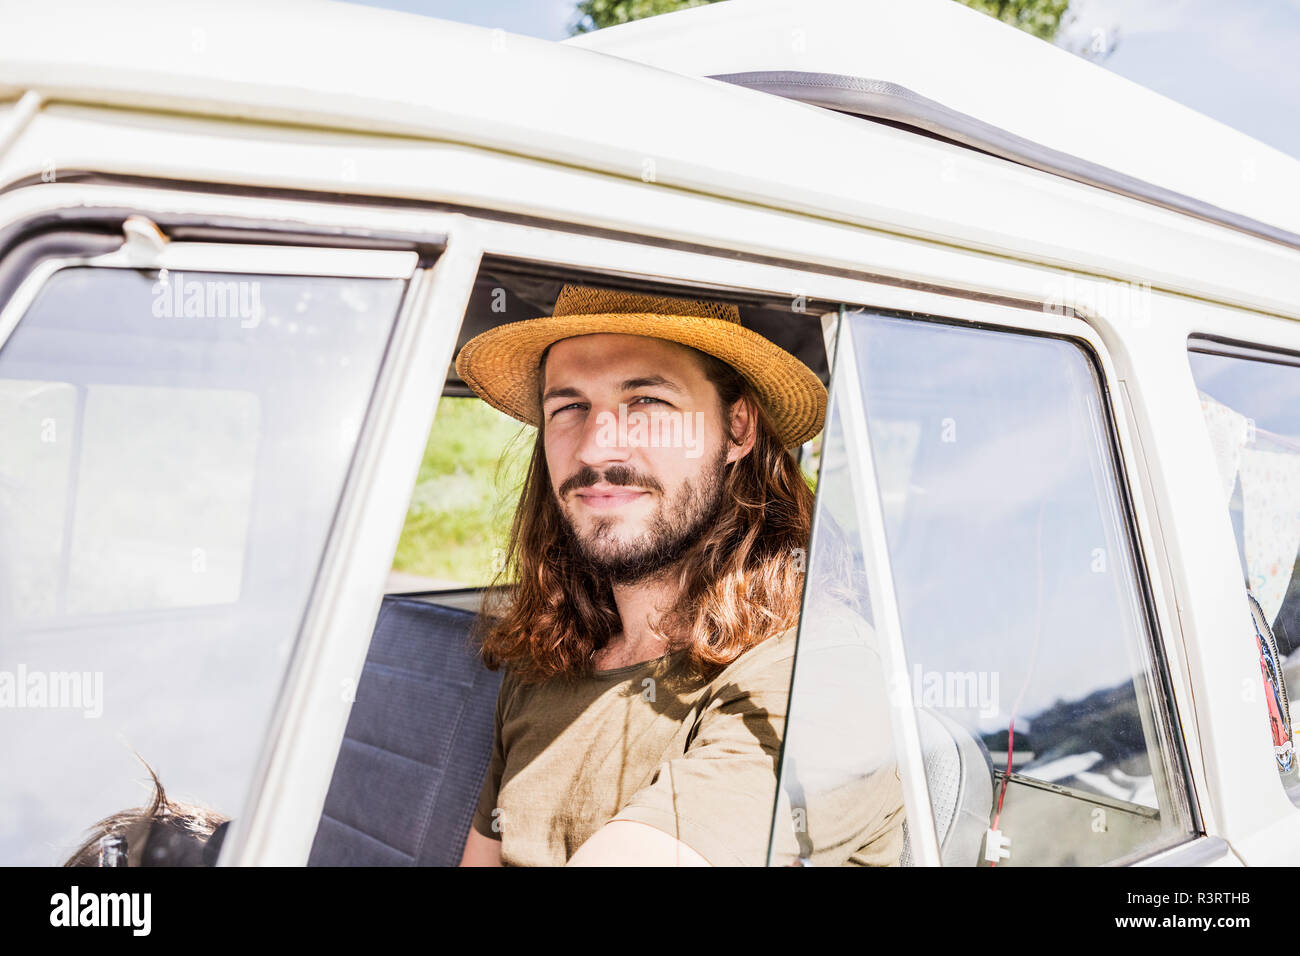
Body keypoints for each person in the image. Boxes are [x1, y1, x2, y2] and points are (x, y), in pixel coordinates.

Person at [455, 283, 903, 866]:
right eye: (568, 407)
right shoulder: (546, 661)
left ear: (738, 429)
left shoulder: (823, 676)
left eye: (646, 403)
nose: (596, 448)